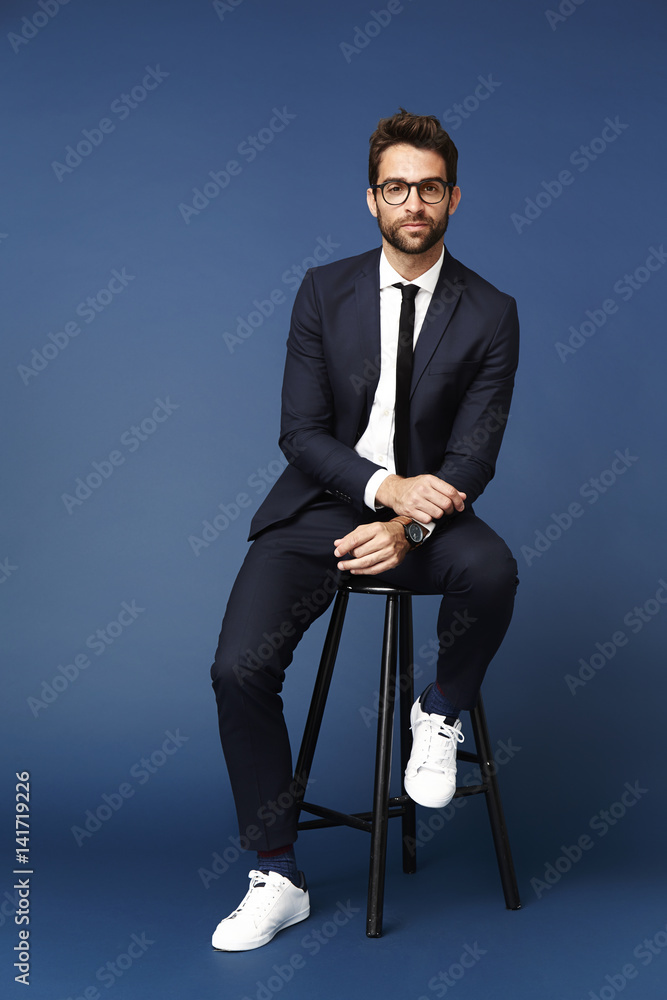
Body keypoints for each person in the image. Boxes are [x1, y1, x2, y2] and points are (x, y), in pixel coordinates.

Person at [209, 108, 519, 951]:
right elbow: (300, 433)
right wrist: (384, 491)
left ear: (453, 197)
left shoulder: (491, 312)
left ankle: (439, 712)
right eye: (395, 187)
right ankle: (277, 873)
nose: (411, 202)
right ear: (371, 200)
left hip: (430, 515)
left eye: (427, 187)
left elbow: (474, 456)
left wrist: (410, 531)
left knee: (492, 572)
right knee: (238, 669)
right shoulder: (324, 289)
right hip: (320, 505)